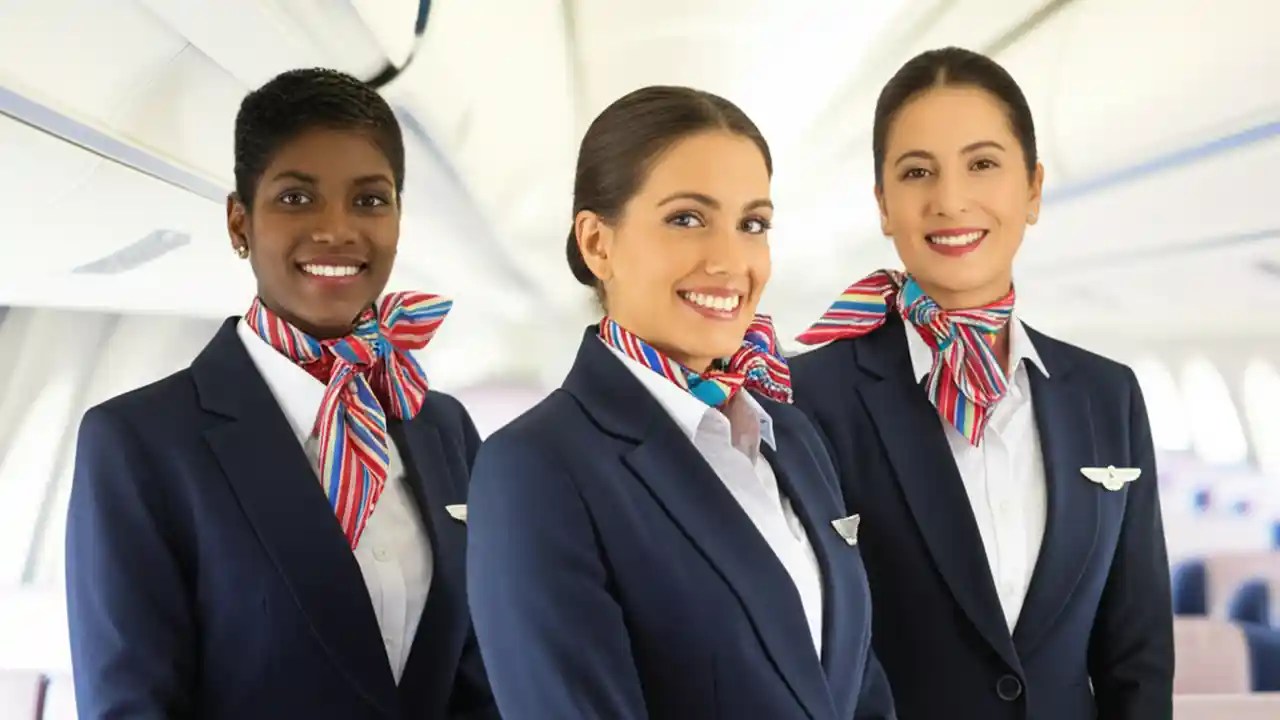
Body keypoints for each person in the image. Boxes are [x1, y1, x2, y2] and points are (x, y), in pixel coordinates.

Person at [65, 68, 496, 719]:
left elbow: (479, 677)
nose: (336, 229)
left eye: (369, 200)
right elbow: (132, 705)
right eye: (297, 199)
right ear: (240, 222)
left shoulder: (443, 426)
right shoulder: (139, 443)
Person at [464, 85, 896, 720]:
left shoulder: (793, 439)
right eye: (687, 219)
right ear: (596, 245)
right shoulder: (535, 469)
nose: (729, 260)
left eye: (752, 224)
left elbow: (858, 687)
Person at [789, 47, 1174, 719]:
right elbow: (800, 656)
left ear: (1032, 190)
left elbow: (1135, 662)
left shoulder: (1107, 397)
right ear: (883, 204)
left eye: (983, 164)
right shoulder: (806, 399)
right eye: (917, 173)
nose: (950, 199)